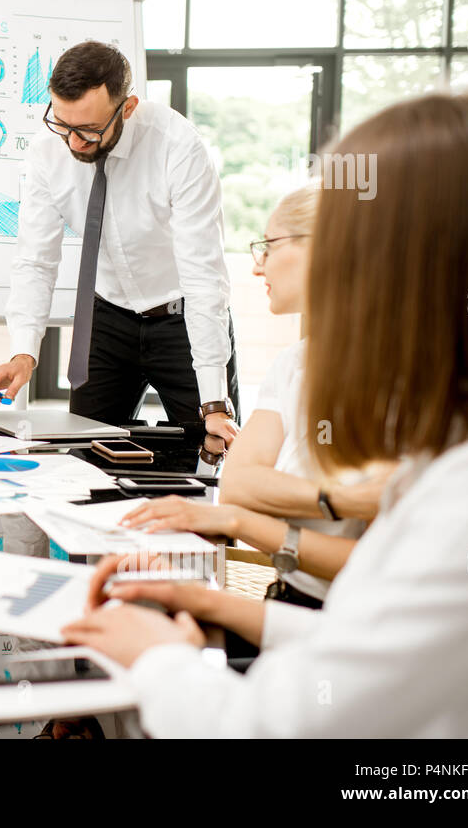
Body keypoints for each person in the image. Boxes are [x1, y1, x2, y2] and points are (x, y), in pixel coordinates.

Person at [62, 90, 468, 736]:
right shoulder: (466, 440)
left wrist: (157, 656)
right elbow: (364, 638)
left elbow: (271, 725)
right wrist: (197, 597)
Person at [120, 187, 391, 607]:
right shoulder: (296, 363)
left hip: (351, 616)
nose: (256, 267)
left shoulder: (405, 377)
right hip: (286, 594)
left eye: (268, 246)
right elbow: (239, 486)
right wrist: (336, 501)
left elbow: (373, 565)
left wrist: (242, 516)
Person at [0, 41, 240, 441]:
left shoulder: (178, 146)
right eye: (63, 124)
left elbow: (204, 275)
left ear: (127, 108)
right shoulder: (49, 151)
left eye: (89, 129)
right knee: (86, 456)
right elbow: (35, 260)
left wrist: (215, 403)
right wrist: (23, 352)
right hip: (107, 317)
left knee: (208, 454)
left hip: (183, 319)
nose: (74, 142)